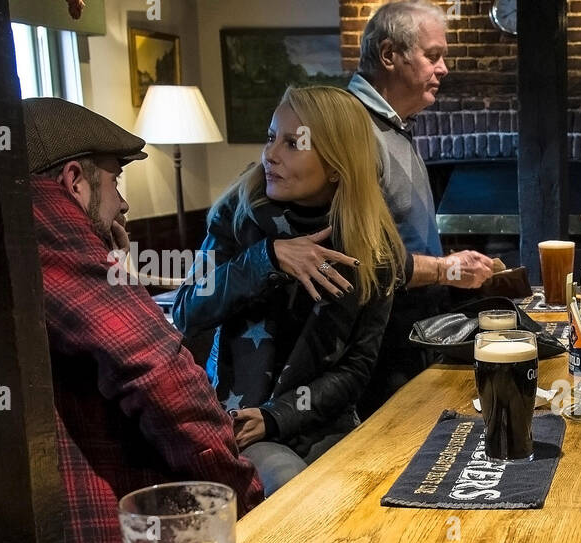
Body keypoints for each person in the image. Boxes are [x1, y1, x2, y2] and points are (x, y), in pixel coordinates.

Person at [22, 97, 263, 543]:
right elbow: (162, 374)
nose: (125, 203)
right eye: (117, 179)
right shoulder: (47, 219)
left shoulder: (11, 223)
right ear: (74, 179)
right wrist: (242, 500)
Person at [173, 85, 409, 497]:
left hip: (323, 423)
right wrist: (267, 258)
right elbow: (187, 311)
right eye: (270, 137)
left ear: (337, 164)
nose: (270, 154)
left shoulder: (375, 245)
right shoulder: (238, 213)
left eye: (292, 143)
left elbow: (355, 369)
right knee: (304, 496)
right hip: (241, 423)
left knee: (388, 491)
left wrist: (279, 415)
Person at [348, 0, 499, 413]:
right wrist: (447, 270)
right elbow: (358, 259)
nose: (444, 69)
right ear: (389, 55)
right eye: (433, 56)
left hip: (407, 333)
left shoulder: (394, 124)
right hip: (372, 349)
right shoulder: (351, 128)